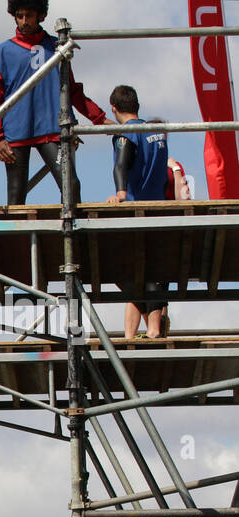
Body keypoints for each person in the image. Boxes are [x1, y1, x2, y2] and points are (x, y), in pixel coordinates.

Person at [0, 1, 108, 204]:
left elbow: (73, 91)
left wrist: (100, 120)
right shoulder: (3, 52)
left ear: (41, 15)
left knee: (71, 186)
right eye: (19, 16)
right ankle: (18, 237)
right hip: (15, 133)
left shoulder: (57, 48)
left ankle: (70, 235)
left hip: (52, 129)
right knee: (16, 200)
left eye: (29, 15)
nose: (24, 21)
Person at [105, 92, 173, 339]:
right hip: (160, 208)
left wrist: (120, 193)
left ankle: (131, 335)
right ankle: (154, 329)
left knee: (131, 275)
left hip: (136, 209)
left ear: (114, 108)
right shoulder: (156, 134)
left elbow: (121, 164)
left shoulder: (128, 132)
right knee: (156, 271)